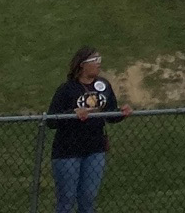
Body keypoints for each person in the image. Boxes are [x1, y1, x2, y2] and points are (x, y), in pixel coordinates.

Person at [47, 46, 130, 213]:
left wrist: (121, 113)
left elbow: (110, 114)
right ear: (82, 65)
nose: (99, 64)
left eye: (100, 60)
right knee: (67, 199)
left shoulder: (104, 86)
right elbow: (51, 120)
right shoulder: (67, 89)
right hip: (68, 151)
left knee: (88, 197)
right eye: (95, 61)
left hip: (95, 149)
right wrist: (72, 114)